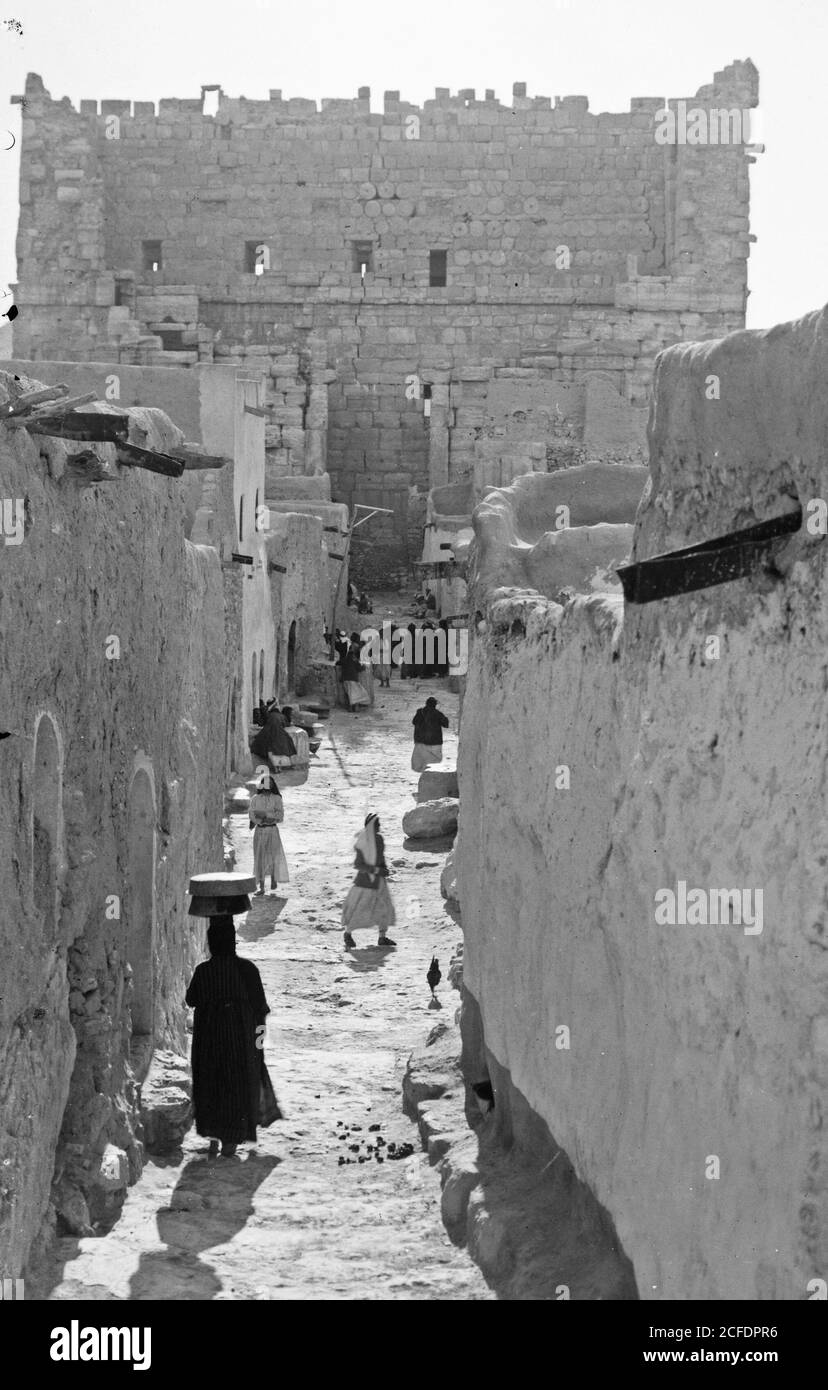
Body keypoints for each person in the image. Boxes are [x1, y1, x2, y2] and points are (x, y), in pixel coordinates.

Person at [185, 915, 272, 1157]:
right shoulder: (248, 970)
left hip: (208, 1043)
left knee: (211, 1084)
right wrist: (259, 1043)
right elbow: (261, 1009)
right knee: (236, 1086)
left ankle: (212, 1134)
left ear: (212, 943)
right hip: (240, 1042)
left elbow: (190, 999)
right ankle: (231, 1139)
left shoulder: (203, 971)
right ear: (233, 942)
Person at [341, 813, 396, 949]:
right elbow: (358, 864)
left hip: (379, 881)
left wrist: (384, 869)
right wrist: (377, 870)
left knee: (384, 907)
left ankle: (382, 937)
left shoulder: (379, 839)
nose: (380, 827)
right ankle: (348, 934)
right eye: (377, 824)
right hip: (365, 882)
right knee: (360, 910)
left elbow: (380, 857)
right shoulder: (362, 841)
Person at [249, 772, 289, 895]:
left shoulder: (277, 799)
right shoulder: (255, 799)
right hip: (260, 831)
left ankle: (273, 879)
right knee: (260, 857)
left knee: (273, 855)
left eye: (270, 783)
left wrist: (266, 815)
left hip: (272, 831)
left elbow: (280, 816)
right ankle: (261, 887)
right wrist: (261, 819)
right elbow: (251, 815)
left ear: (272, 785)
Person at [250, 703, 296, 771]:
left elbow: (262, 723)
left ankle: (276, 768)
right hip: (280, 733)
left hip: (268, 732)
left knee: (268, 749)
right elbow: (286, 725)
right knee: (284, 747)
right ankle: (281, 766)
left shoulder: (269, 715)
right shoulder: (282, 716)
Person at [411, 695, 449, 771]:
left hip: (421, 739)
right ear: (435, 705)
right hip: (435, 741)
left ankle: (422, 769)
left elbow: (414, 722)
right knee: (434, 760)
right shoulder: (438, 714)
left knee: (421, 758)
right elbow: (446, 724)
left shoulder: (420, 712)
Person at [339, 636, 370, 711]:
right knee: (356, 694)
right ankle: (353, 708)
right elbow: (359, 668)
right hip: (352, 679)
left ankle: (352, 708)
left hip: (345, 679)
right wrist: (364, 667)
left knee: (350, 694)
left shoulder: (345, 659)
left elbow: (339, 663)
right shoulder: (354, 659)